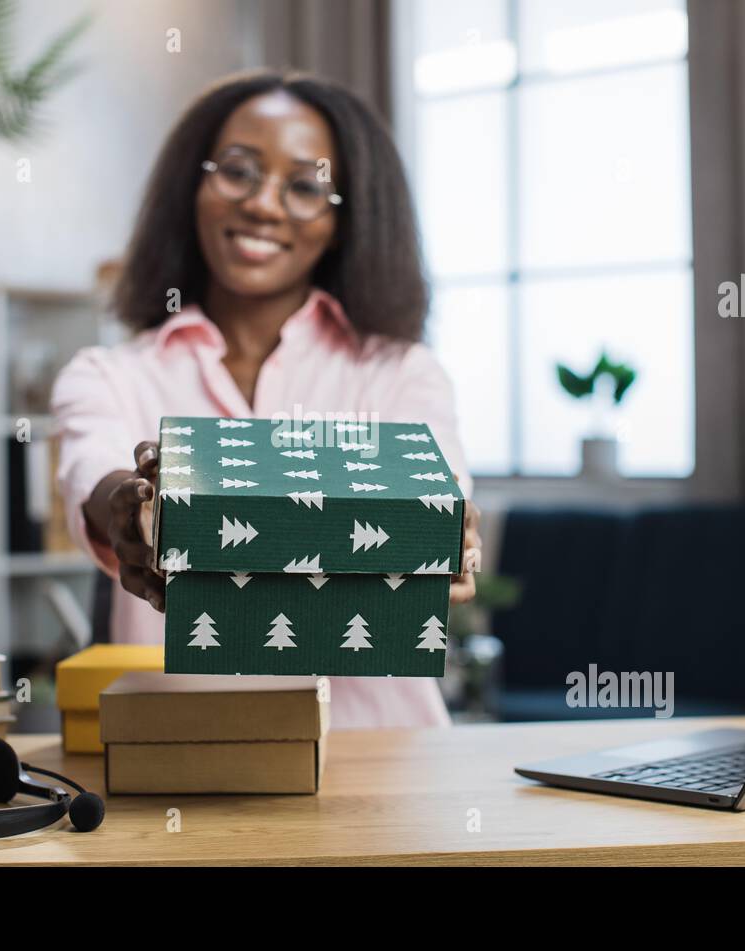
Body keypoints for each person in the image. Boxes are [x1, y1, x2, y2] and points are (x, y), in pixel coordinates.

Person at [52, 70, 481, 728]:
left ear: (343, 220)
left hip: (388, 758)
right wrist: (129, 509)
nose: (262, 204)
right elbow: (94, 472)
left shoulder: (403, 374)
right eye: (237, 171)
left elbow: (442, 502)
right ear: (193, 187)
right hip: (180, 757)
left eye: (305, 187)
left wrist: (448, 535)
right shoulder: (107, 375)